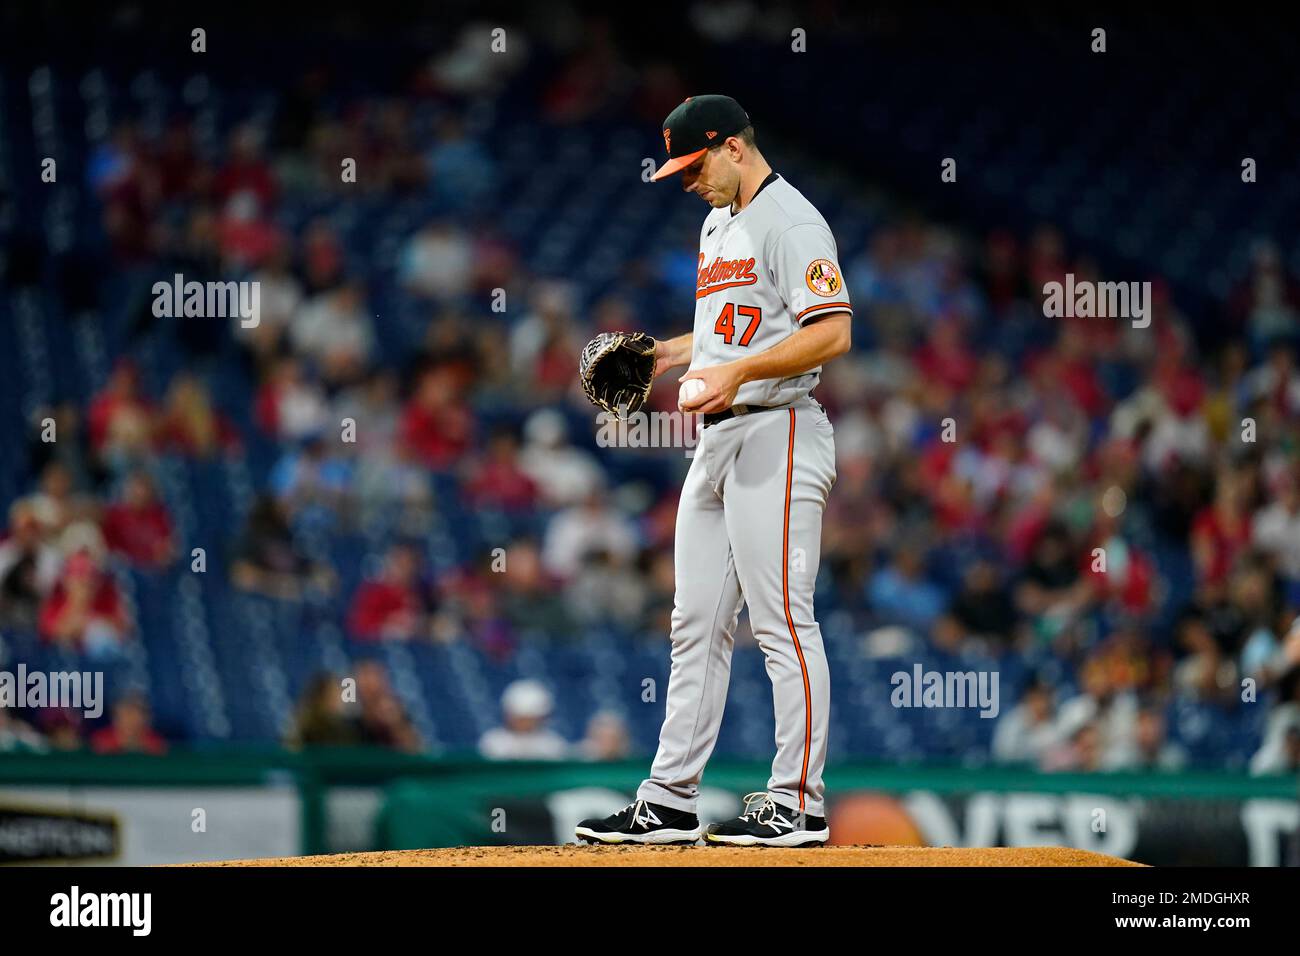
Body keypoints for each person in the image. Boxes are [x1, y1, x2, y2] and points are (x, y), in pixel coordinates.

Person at [577, 95, 852, 847]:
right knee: (694, 623)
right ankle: (669, 799)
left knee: (781, 621)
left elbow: (832, 331)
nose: (686, 180)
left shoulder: (793, 221)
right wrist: (661, 356)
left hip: (779, 428)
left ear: (733, 147)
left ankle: (798, 801)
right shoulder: (716, 222)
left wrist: (740, 375)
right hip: (718, 438)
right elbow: (724, 331)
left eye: (694, 165)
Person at [478, 679, 570, 761]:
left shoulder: (553, 745)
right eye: (520, 718)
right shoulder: (492, 742)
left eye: (528, 719)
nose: (524, 723)